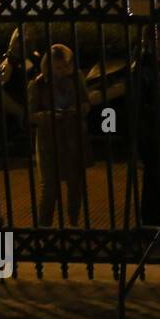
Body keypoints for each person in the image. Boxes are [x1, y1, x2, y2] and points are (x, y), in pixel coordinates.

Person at [28, 44, 91, 226]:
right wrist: (48, 116)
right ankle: (44, 228)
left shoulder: (76, 78)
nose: (62, 71)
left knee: (75, 185)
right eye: (58, 68)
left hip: (72, 137)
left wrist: (77, 109)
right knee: (49, 188)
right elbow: (30, 115)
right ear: (48, 66)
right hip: (49, 140)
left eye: (65, 66)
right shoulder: (38, 85)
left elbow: (86, 102)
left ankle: (73, 223)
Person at [131, 27, 160, 227]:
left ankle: (158, 218)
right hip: (151, 133)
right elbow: (139, 104)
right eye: (159, 38)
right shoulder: (143, 68)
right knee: (154, 179)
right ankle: (151, 221)